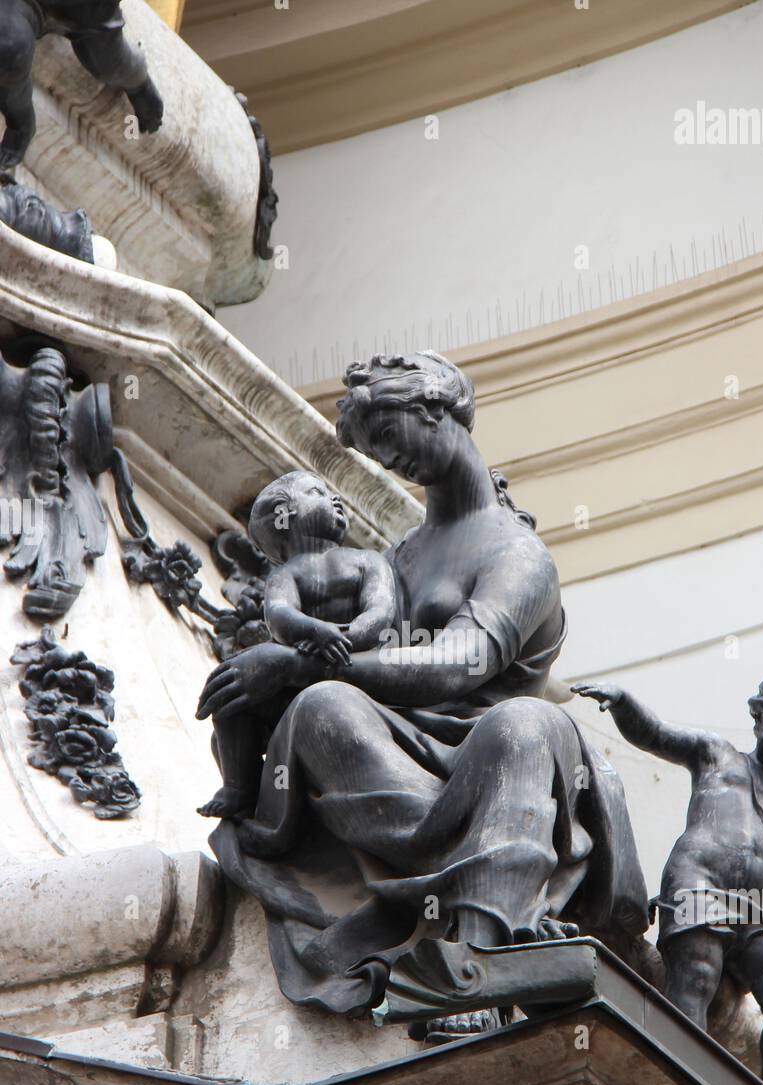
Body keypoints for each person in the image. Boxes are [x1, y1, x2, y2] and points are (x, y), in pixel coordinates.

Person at [197, 351, 647, 1017]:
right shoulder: (398, 555)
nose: (387, 459)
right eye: (374, 450)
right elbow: (348, 652)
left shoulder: (519, 557)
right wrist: (274, 674)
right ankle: (422, 907)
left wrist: (295, 665)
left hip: (496, 753)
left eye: (387, 435)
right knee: (321, 707)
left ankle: (479, 952)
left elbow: (458, 662)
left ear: (433, 407)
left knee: (523, 725)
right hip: (403, 753)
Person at [574, 668, 763, 1085]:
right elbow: (657, 734)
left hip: (756, 909)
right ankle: (686, 1071)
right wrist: (624, 702)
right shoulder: (717, 754)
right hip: (697, 884)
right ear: (759, 717)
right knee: (696, 976)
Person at [198, 470, 396, 820]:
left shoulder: (367, 560)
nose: (335, 498)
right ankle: (239, 788)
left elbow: (380, 611)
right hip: (301, 681)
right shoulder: (284, 576)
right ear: (283, 516)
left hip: (361, 672)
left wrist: (346, 638)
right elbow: (278, 614)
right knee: (231, 698)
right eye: (318, 492)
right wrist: (319, 632)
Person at [0, 0, 163, 175]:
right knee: (9, 46)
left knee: (107, 65)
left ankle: (139, 83)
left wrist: (137, 82)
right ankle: (21, 124)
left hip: (86, 9)